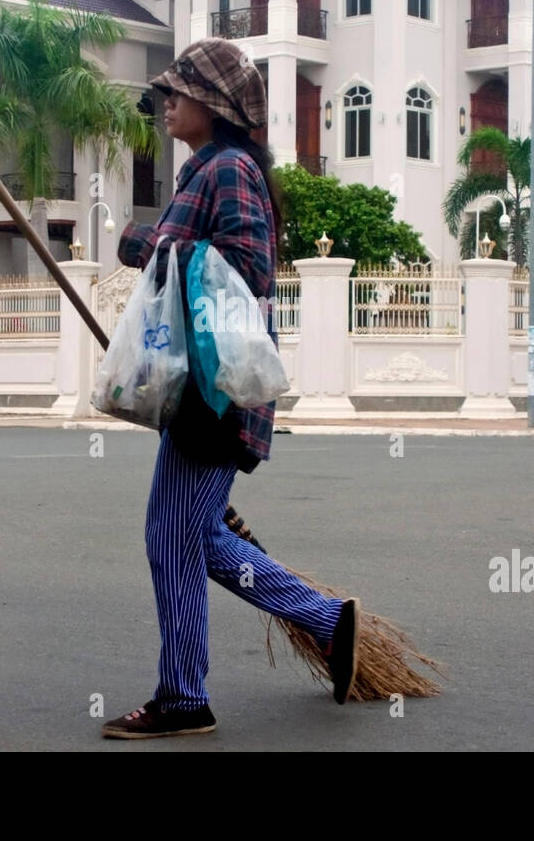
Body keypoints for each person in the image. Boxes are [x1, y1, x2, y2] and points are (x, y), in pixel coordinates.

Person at [101, 38, 361, 739]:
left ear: (215, 106)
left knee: (173, 538)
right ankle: (327, 621)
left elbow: (244, 269)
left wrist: (151, 248)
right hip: (200, 390)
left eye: (178, 92)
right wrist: (148, 246)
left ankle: (185, 699)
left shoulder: (232, 170)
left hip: (218, 390)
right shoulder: (204, 170)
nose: (166, 103)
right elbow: (188, 261)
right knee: (190, 536)